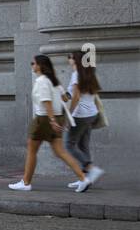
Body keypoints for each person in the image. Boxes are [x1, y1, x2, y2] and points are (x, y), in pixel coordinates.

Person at [9, 55, 89, 192]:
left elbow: (47, 101)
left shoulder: (41, 81)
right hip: (58, 118)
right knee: (60, 152)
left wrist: (51, 120)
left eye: (33, 63)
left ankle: (26, 182)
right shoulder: (54, 81)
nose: (31, 65)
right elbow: (65, 97)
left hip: (44, 119)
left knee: (32, 150)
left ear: (40, 66)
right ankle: (83, 178)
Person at [65, 51, 106, 189]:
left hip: (80, 115)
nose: (68, 60)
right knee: (83, 145)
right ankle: (84, 178)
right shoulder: (89, 74)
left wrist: (68, 115)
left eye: (70, 57)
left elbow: (76, 97)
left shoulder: (76, 75)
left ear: (76, 60)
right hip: (91, 113)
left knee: (69, 145)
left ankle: (91, 168)